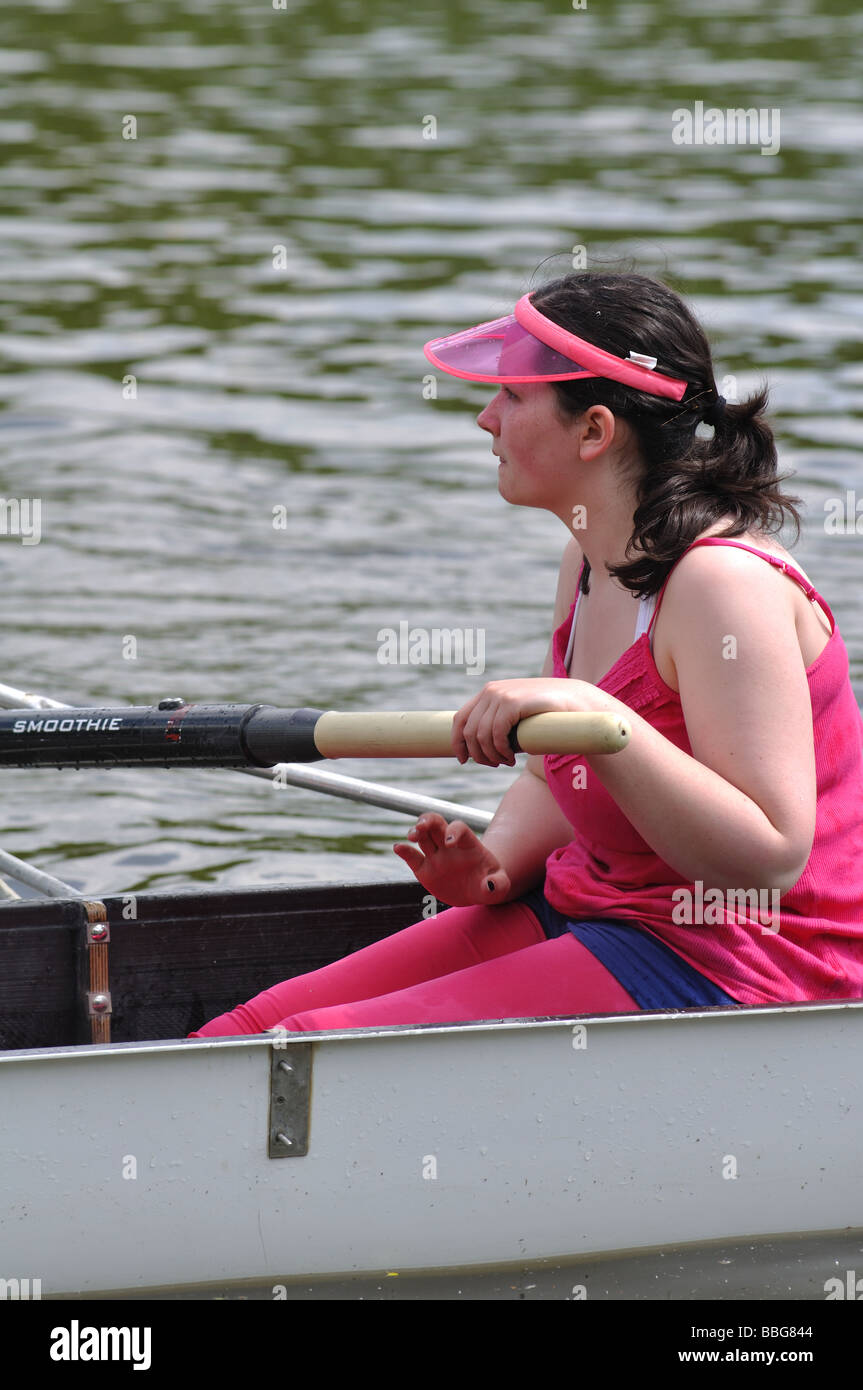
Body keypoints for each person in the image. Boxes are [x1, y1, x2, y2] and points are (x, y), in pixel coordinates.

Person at [190, 271, 863, 1039]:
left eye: (512, 397)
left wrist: (598, 715)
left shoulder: (721, 585)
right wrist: (498, 862)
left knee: (302, 1046)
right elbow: (556, 775)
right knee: (244, 1031)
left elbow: (769, 856)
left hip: (745, 963)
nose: (484, 418)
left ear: (593, 431)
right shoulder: (585, 560)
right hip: (598, 907)